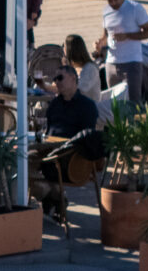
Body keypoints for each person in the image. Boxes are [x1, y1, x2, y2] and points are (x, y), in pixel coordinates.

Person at [37, 67, 103, 220]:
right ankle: (56, 196)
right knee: (23, 162)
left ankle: (53, 197)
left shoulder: (87, 106)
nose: (56, 82)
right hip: (49, 152)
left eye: (60, 78)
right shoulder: (54, 104)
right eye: (55, 79)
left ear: (73, 79)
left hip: (73, 159)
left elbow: (87, 140)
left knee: (32, 168)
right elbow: (48, 132)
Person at [99, 0, 148, 105]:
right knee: (114, 104)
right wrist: (100, 44)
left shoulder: (135, 8)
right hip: (111, 63)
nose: (113, 3)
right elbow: (106, 35)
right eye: (109, 0)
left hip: (131, 63)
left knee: (133, 103)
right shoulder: (106, 11)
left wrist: (127, 36)